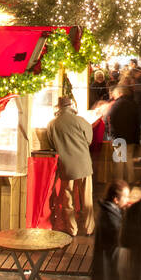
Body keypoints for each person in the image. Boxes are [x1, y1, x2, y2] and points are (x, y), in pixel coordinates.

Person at [45, 95, 95, 236]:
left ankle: (72, 229)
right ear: (71, 107)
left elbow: (51, 144)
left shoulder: (52, 124)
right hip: (84, 164)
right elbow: (89, 140)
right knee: (87, 198)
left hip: (67, 165)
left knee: (68, 199)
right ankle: (89, 228)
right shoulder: (80, 121)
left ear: (59, 108)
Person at [90, 180, 130, 280]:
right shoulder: (110, 216)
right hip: (109, 271)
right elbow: (120, 238)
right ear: (116, 199)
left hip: (110, 270)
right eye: (125, 197)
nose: (128, 200)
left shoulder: (110, 211)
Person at [106, 83, 141, 183]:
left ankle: (119, 181)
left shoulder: (115, 106)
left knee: (119, 161)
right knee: (128, 160)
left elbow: (110, 121)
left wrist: (112, 136)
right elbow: (137, 122)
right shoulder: (132, 104)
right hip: (130, 137)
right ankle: (130, 180)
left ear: (119, 93)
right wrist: (137, 138)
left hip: (119, 137)